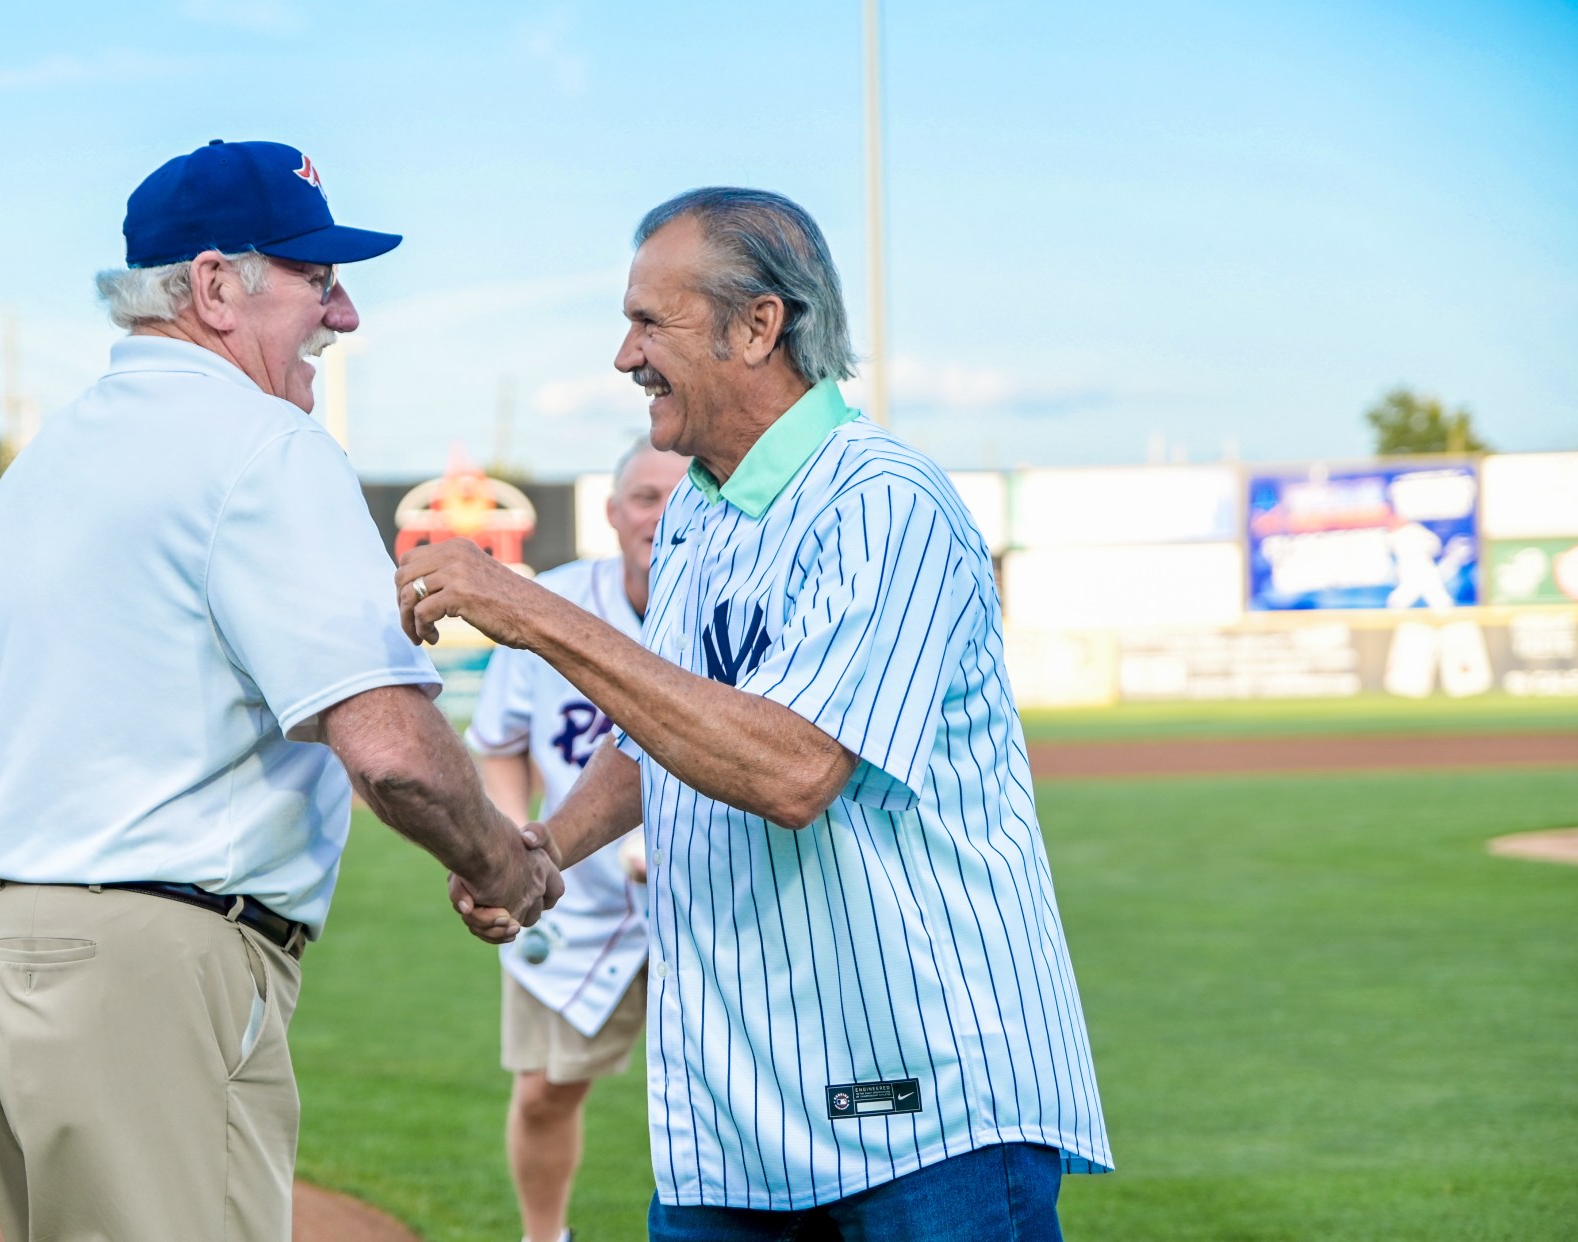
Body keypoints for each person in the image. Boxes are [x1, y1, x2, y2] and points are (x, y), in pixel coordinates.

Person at [402, 188, 1112, 1240]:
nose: (624, 355)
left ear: (758, 325)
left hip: (927, 1113)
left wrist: (533, 611)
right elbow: (665, 737)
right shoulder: (697, 508)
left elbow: (792, 771)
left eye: (651, 321)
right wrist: (548, 847)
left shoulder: (884, 502)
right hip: (736, 1129)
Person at [0, 140, 561, 1242]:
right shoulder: (262, 443)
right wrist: (505, 864)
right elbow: (395, 752)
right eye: (319, 279)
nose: (346, 314)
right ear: (216, 286)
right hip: (146, 969)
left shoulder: (44, 462)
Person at [469, 439, 689, 1242]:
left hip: (709, 899)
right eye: (644, 498)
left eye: (678, 496)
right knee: (545, 1091)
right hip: (573, 896)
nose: (660, 517)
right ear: (612, 512)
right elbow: (498, 742)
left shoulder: (730, 600)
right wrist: (510, 851)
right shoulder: (553, 608)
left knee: (736, 1096)